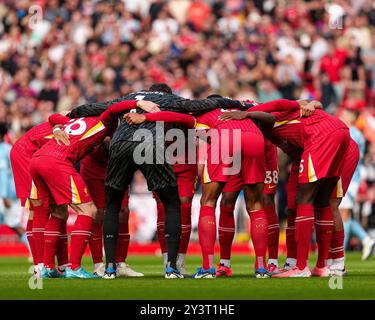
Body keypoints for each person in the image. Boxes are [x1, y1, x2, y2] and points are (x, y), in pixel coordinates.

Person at [69, 83, 252, 279]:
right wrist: (240, 104)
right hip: (148, 143)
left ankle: (110, 268)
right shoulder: (171, 101)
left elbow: (94, 107)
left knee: (112, 206)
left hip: (120, 145)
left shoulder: (129, 97)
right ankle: (172, 268)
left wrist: (71, 114)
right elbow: (209, 103)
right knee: (172, 204)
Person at [124, 101, 275, 278]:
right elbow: (270, 118)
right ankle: (261, 268)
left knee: (208, 202)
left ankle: (207, 268)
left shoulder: (203, 115)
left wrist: (144, 117)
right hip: (256, 138)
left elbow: (175, 116)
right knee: (256, 206)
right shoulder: (243, 108)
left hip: (225, 138)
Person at [219, 100, 352, 277]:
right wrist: (312, 103)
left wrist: (248, 114)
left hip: (321, 136)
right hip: (339, 131)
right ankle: (322, 266)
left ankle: (301, 267)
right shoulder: (285, 123)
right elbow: (307, 104)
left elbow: (274, 109)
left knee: (304, 200)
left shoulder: (258, 119)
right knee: (322, 203)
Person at [30, 99, 155, 279]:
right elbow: (113, 108)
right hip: (57, 161)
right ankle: (74, 267)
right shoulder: (101, 121)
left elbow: (54, 116)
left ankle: (46, 267)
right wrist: (139, 103)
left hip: (38, 159)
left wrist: (57, 128)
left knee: (58, 212)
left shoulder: (74, 121)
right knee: (89, 210)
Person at [80, 141, 144, 277]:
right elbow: (105, 140)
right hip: (94, 165)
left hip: (119, 165)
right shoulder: (102, 120)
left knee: (123, 211)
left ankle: (120, 262)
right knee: (98, 213)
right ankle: (98, 265)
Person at [0, 123, 30, 257]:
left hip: (6, 195)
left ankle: (34, 253)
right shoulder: (9, 149)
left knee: (15, 224)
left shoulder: (4, 150)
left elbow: (3, 175)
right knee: (14, 224)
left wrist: (4, 196)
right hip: (9, 194)